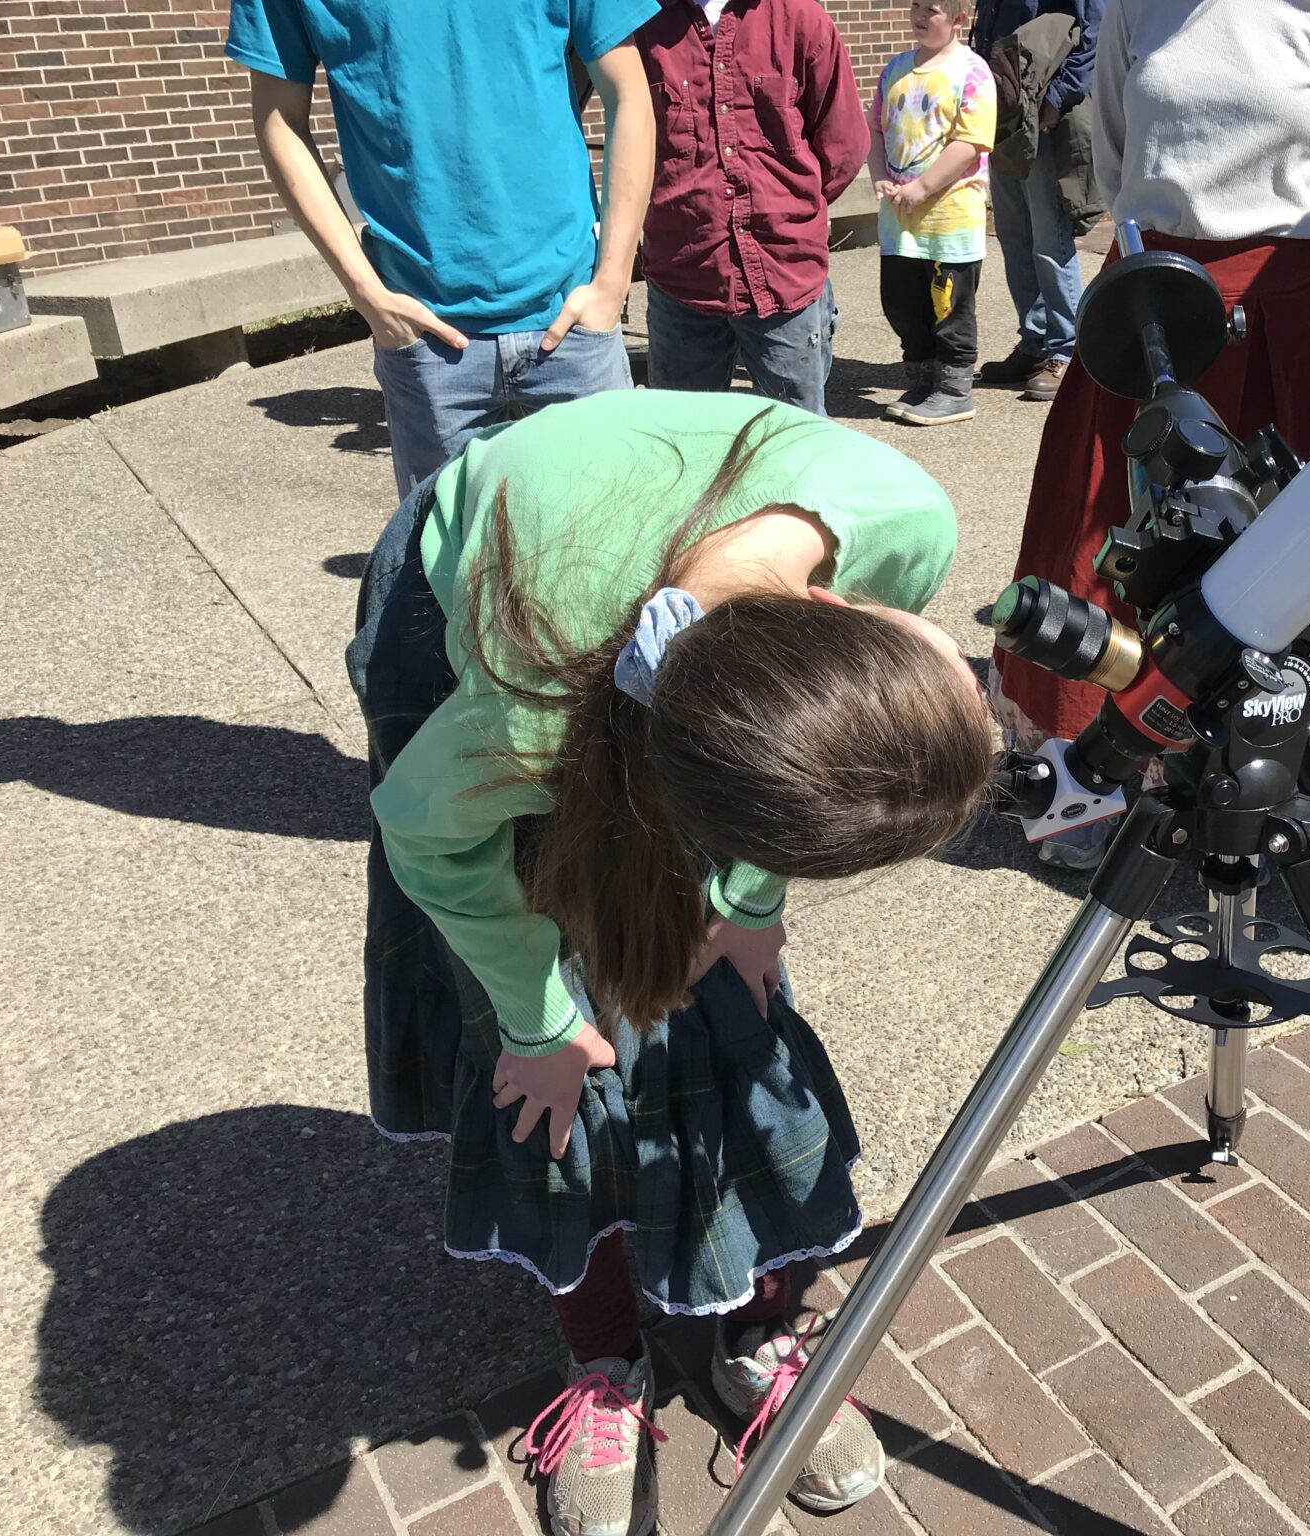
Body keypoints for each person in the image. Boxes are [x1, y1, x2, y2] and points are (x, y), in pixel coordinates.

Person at [345, 391, 993, 1534]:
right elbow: (425, 832)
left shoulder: (906, 528)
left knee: (721, 1014)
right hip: (480, 576)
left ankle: (752, 1324)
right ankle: (602, 1358)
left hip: (652, 566)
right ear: (829, 615)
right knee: (562, 1037)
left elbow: (794, 775)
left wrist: (745, 900)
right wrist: (537, 1020)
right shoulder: (526, 707)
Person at [991, 0, 1310, 866]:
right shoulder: (1137, 6)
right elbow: (1114, 161)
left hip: (1282, 301)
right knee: (1107, 533)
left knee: (1276, 539)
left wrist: (1271, 269)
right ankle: (1093, 775)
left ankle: (1244, 766)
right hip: (1149, 295)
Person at [229, 0, 658, 497]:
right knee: (446, 563)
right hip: (425, 333)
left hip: (572, 316)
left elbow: (628, 93)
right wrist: (367, 293)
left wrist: (612, 279)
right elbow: (280, 121)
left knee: (608, 551)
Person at [634, 0, 870, 415]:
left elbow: (843, 144)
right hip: (682, 278)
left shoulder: (799, 17)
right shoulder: (642, 24)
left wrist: (792, 214)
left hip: (785, 275)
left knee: (796, 444)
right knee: (684, 446)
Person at [869, 0, 999, 427]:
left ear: (959, 19)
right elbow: (876, 131)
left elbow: (969, 143)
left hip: (950, 220)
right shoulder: (895, 69)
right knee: (903, 305)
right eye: (916, 6)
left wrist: (922, 187)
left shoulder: (972, 71)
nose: (920, 16)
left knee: (950, 307)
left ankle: (955, 389)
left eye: (934, 9)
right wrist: (879, 177)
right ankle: (922, 378)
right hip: (899, 223)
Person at [972, 0, 1103, 403]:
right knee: (1015, 237)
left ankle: (1067, 350)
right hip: (1003, 110)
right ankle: (1034, 343)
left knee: (1050, 240)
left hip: (1045, 112)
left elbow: (1093, 32)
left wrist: (1056, 99)